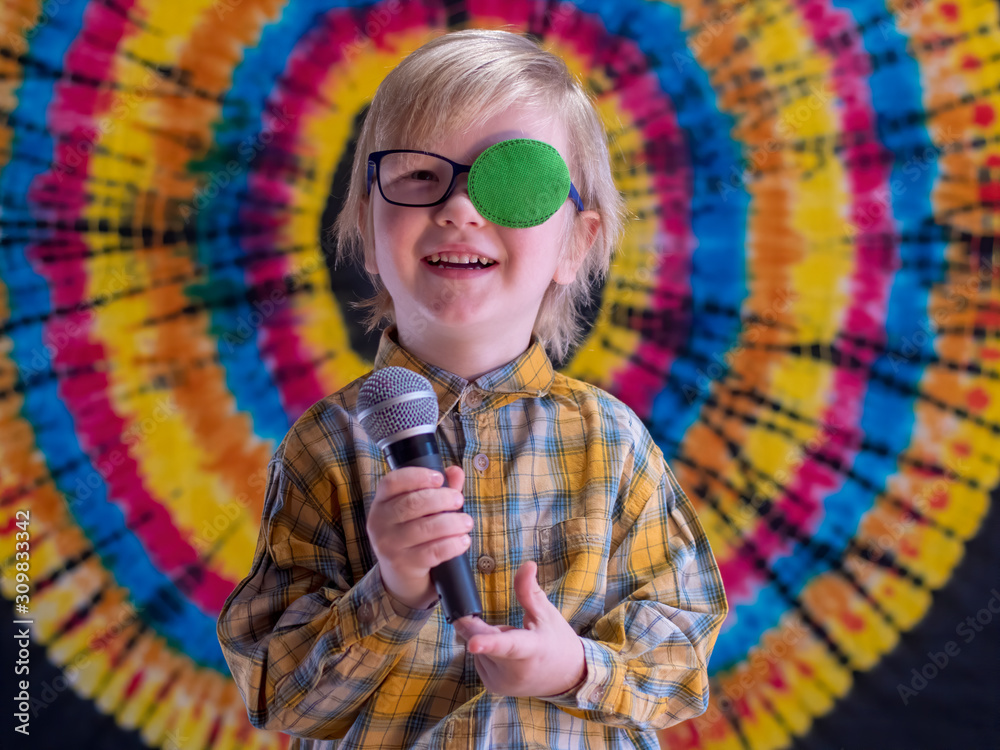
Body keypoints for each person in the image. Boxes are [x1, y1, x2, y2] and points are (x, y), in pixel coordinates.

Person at [217, 28, 728, 750]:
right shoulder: (326, 448)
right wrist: (389, 591)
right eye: (420, 177)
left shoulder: (613, 443)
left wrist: (573, 666)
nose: (459, 209)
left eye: (514, 182)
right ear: (368, 220)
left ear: (576, 244)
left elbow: (680, 657)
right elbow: (280, 693)